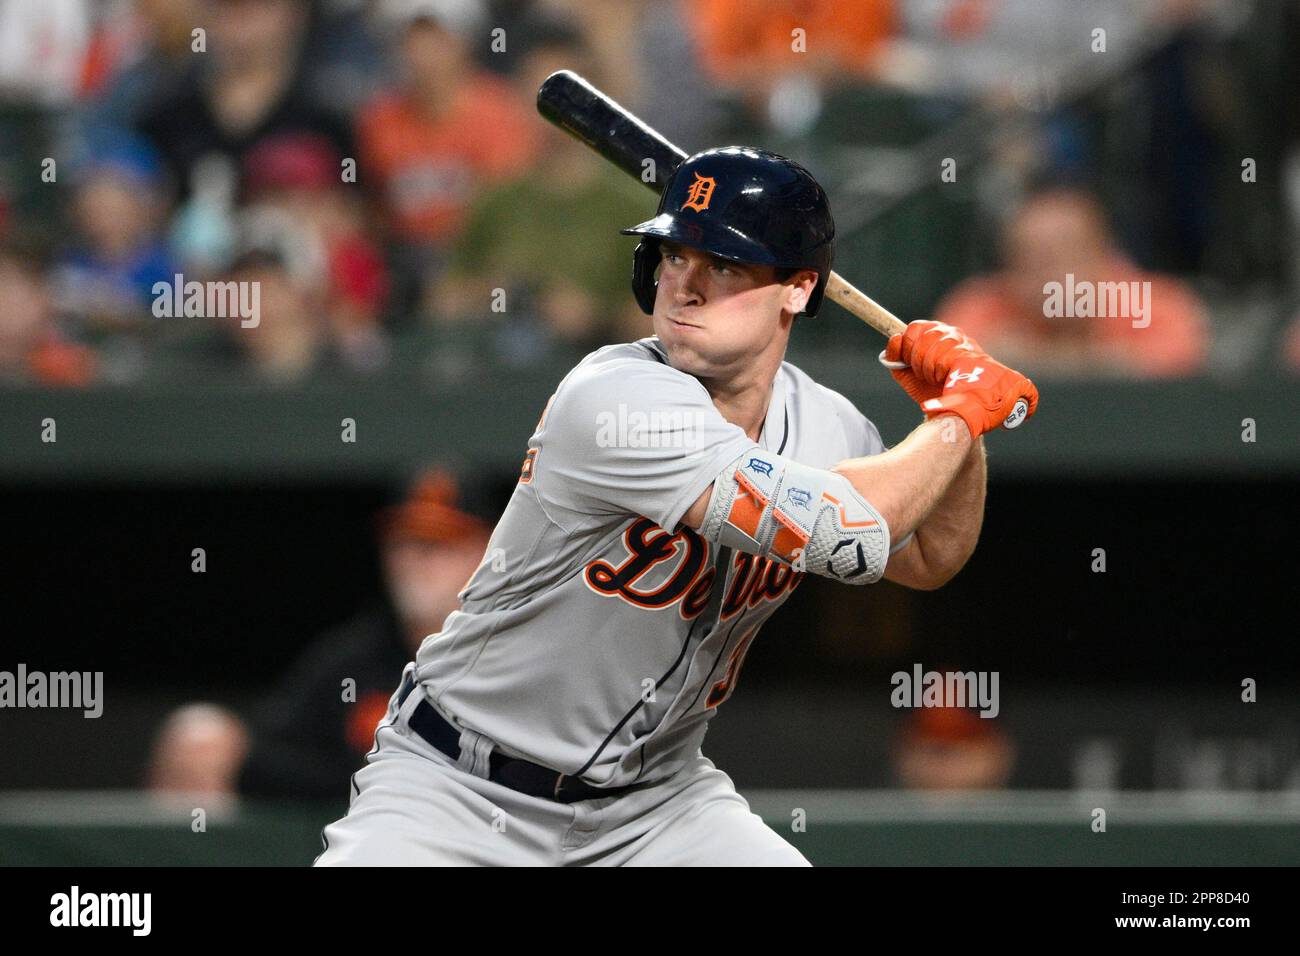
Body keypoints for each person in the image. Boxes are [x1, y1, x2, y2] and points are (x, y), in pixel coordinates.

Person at [315, 146, 1039, 866]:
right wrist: (959, 415)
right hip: (461, 789)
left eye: (724, 265)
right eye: (674, 256)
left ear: (796, 290)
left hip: (654, 806)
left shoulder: (829, 425)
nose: (685, 286)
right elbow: (844, 534)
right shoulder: (614, 398)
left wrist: (958, 420)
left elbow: (929, 556)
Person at [147, 469, 495, 800]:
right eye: (405, 543)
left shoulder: (504, 656)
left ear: (482, 553)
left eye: (441, 545)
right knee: (198, 738)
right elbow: (265, 759)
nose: (419, 563)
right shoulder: (350, 659)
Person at [933, 186, 1209, 378]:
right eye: (1028, 261)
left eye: (1062, 257)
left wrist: (1028, 358)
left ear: (1104, 257)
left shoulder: (1151, 302)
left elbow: (1179, 358)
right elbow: (947, 362)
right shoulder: (980, 303)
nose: (1047, 278)